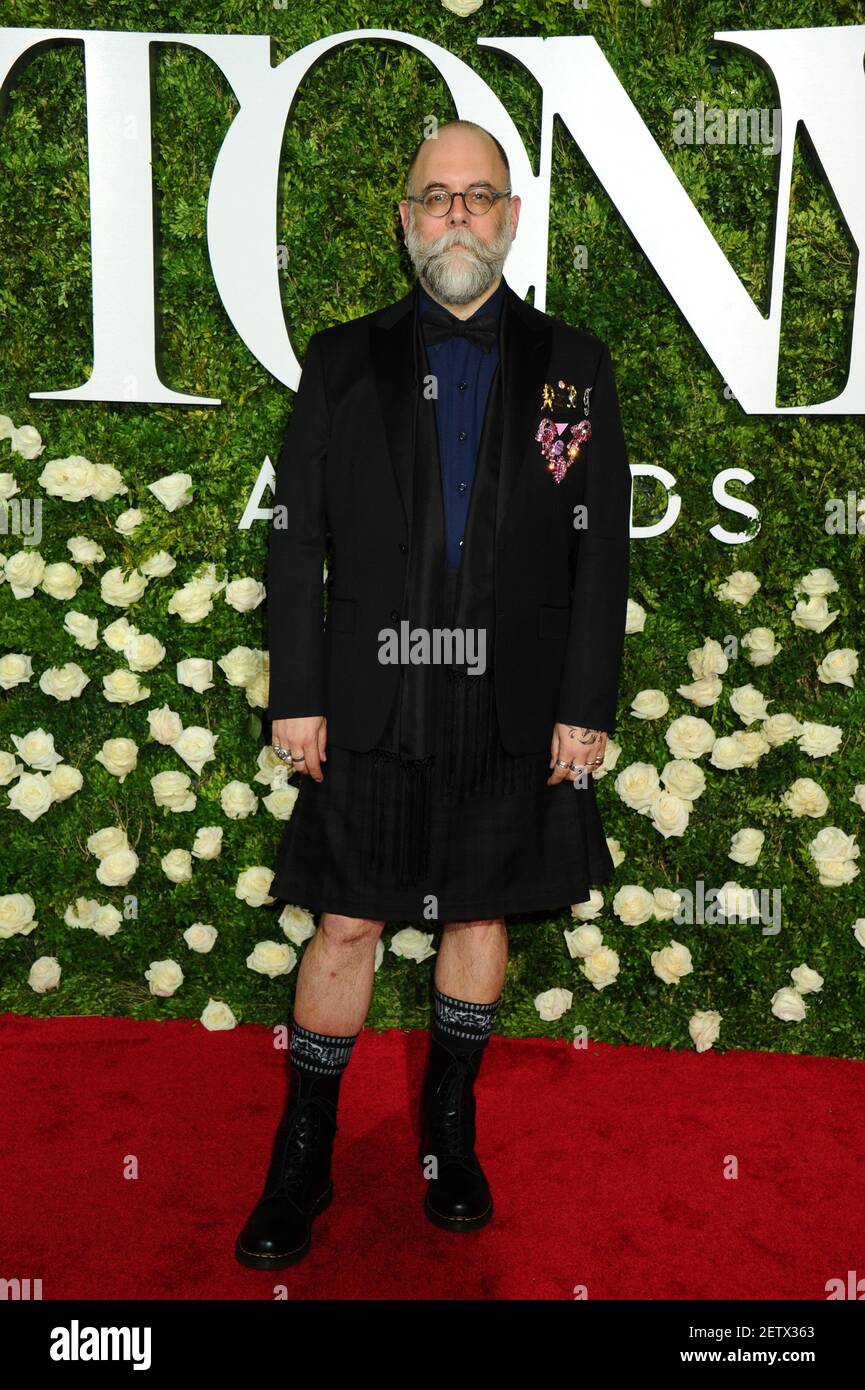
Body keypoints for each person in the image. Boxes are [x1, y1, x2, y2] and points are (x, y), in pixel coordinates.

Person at [235, 119, 631, 1269]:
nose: (457, 215)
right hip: (371, 695)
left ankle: (447, 1135)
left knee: (478, 910)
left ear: (511, 218)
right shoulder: (342, 358)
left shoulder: (573, 366)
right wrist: (295, 694)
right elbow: (296, 535)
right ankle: (300, 1156)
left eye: (479, 196)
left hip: (510, 702)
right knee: (347, 919)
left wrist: (585, 698)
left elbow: (596, 545)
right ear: (406, 221)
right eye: (435, 197)